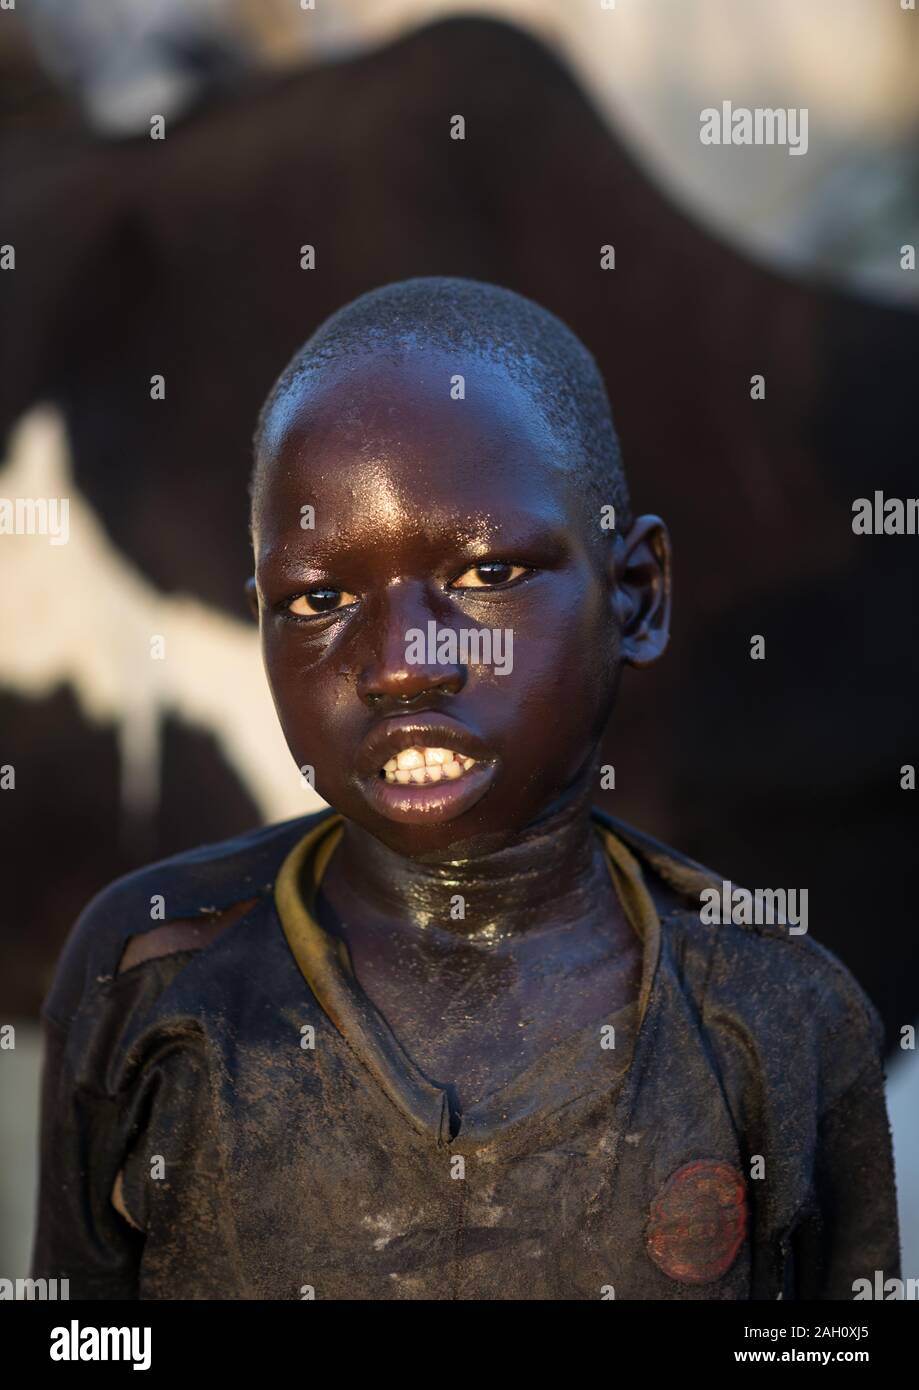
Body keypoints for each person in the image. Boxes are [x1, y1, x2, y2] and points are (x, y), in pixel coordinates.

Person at [31, 278, 900, 1299]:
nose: (402, 663)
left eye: (487, 576)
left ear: (635, 596)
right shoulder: (152, 968)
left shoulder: (771, 1015)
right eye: (317, 598)